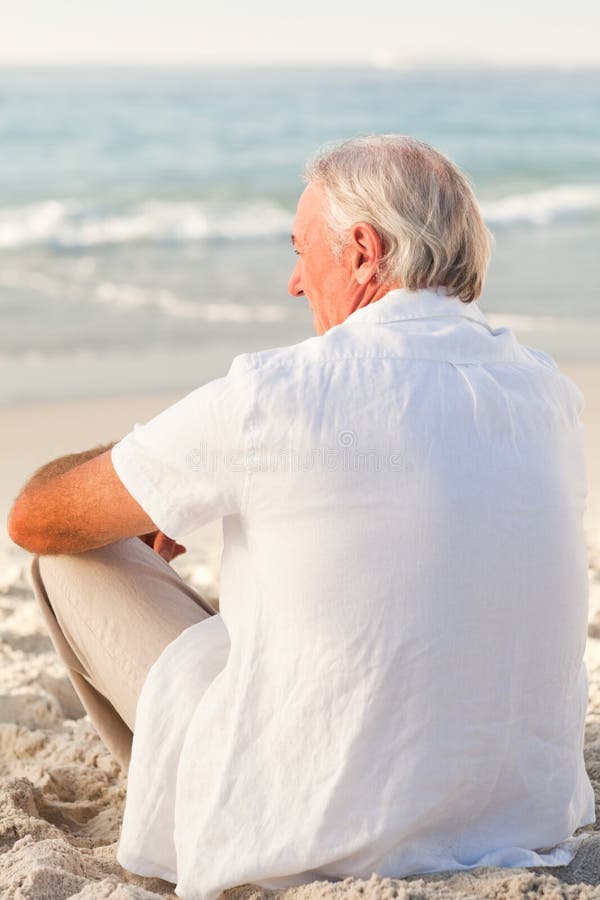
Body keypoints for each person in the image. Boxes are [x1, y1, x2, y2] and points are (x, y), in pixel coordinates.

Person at [8, 135, 595, 900]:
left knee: (65, 559)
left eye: (299, 249)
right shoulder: (548, 396)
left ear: (361, 250)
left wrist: (159, 457)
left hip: (296, 834)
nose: (292, 282)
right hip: (523, 819)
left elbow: (37, 516)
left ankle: (183, 808)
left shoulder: (276, 395)